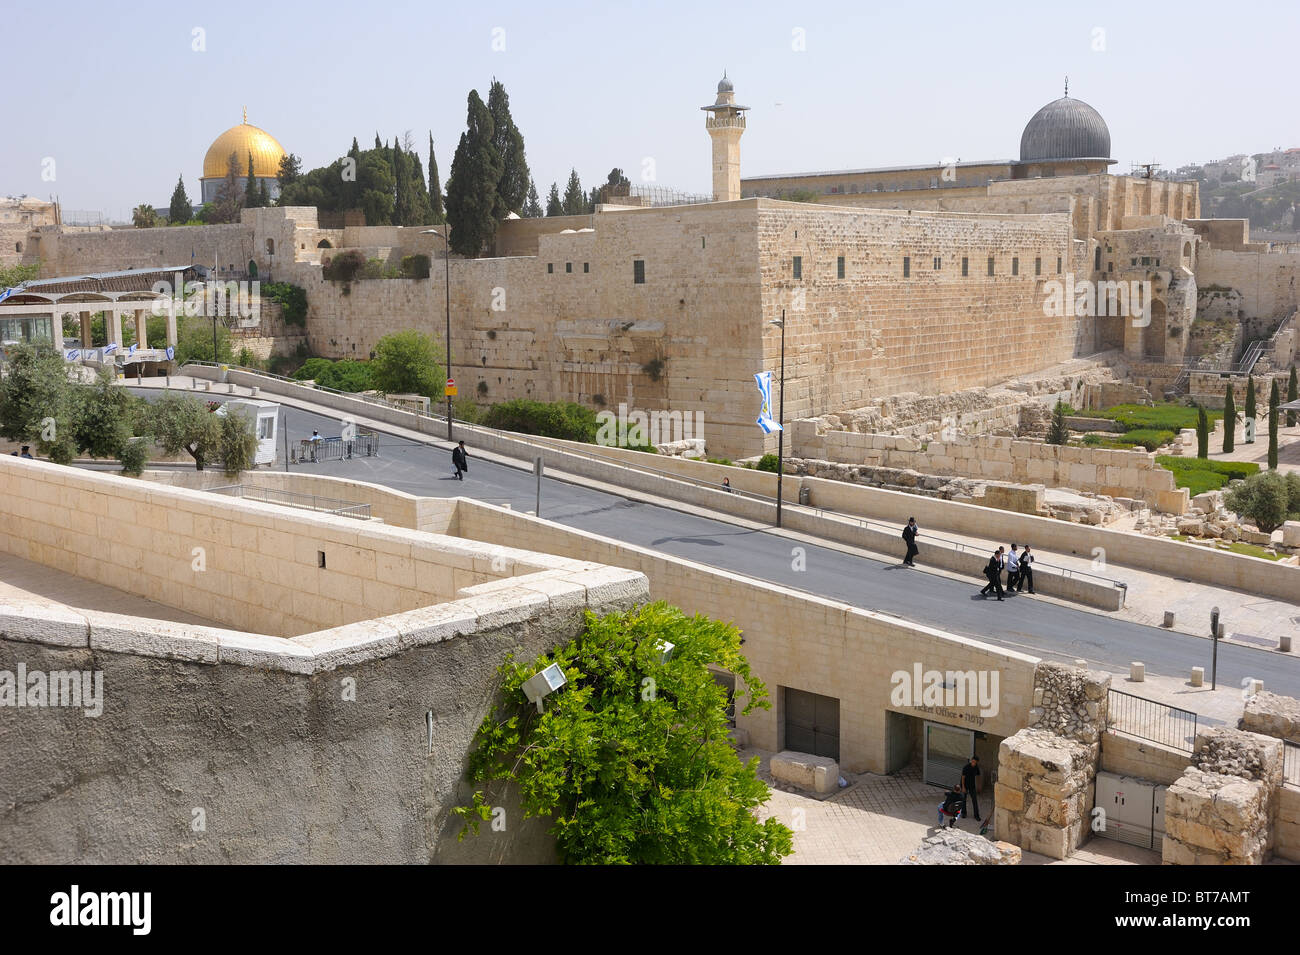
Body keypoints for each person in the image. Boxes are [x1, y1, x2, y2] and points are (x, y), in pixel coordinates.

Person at [959, 756, 982, 822]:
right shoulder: (966, 767)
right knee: (964, 799)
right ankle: (964, 813)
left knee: (974, 800)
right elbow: (963, 777)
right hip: (964, 785)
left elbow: (978, 776)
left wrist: (979, 785)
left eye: (975, 762)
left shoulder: (976, 767)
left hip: (972, 786)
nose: (973, 763)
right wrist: (963, 787)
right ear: (971, 760)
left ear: (977, 762)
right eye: (973, 761)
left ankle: (976, 815)